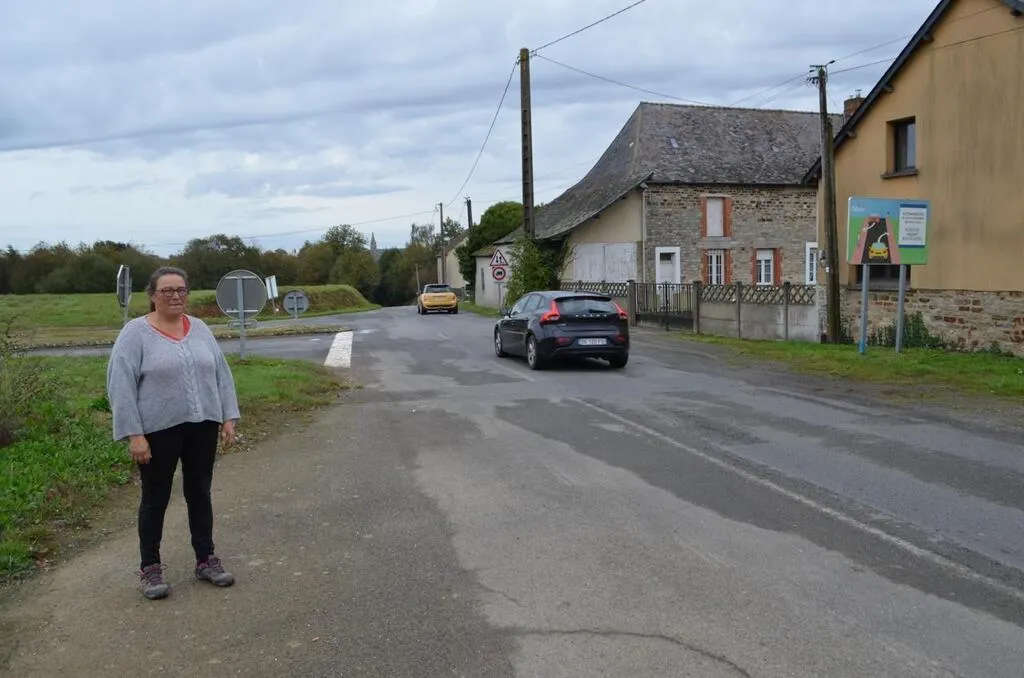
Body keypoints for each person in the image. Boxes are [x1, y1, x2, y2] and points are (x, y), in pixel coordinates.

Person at [106, 266, 241, 600]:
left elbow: (221, 373)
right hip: (156, 431)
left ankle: (206, 559)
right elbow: (120, 386)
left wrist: (228, 417)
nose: (176, 296)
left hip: (202, 425)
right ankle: (150, 568)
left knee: (200, 493)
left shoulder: (200, 328)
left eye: (181, 289)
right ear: (152, 296)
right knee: (155, 498)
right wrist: (133, 434)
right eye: (167, 291)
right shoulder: (134, 333)